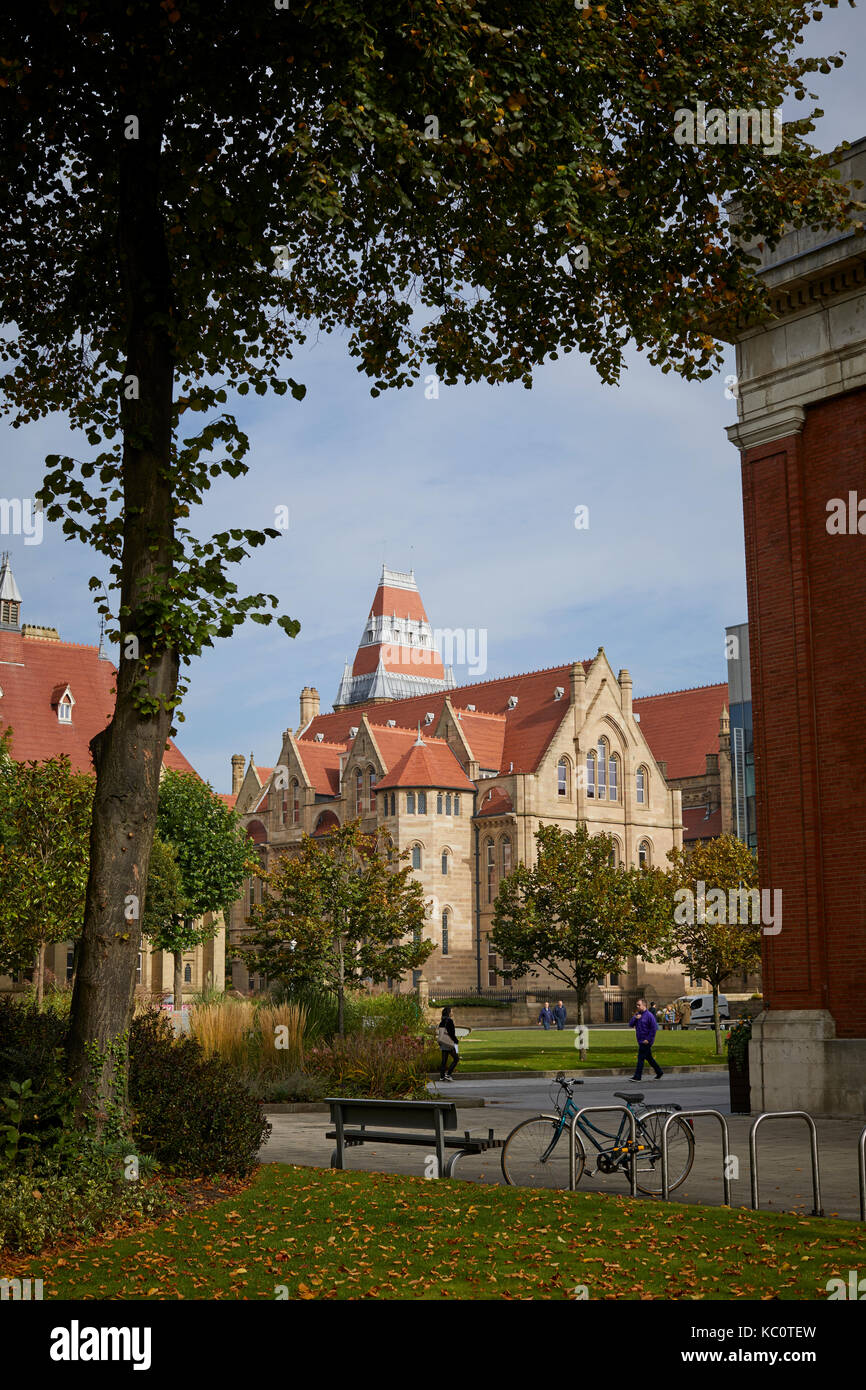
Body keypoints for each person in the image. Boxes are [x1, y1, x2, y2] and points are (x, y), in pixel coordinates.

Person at [628, 998, 663, 1081]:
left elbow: (654, 1028)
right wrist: (635, 1018)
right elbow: (630, 1024)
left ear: (644, 1005)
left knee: (640, 1058)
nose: (637, 1006)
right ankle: (659, 1072)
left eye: (639, 1005)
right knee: (649, 1058)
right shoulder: (638, 1014)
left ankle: (637, 1076)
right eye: (637, 1005)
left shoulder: (649, 1015)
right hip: (640, 1040)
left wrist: (648, 1039)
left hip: (646, 1041)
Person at [436, 1007, 459, 1081]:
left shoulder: (442, 1021)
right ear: (449, 1013)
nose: (452, 1013)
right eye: (451, 1011)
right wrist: (456, 1040)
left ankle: (442, 1076)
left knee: (444, 1061)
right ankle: (448, 1074)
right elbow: (451, 1033)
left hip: (443, 1042)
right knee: (456, 1059)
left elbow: (441, 1032)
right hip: (449, 1043)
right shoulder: (449, 1021)